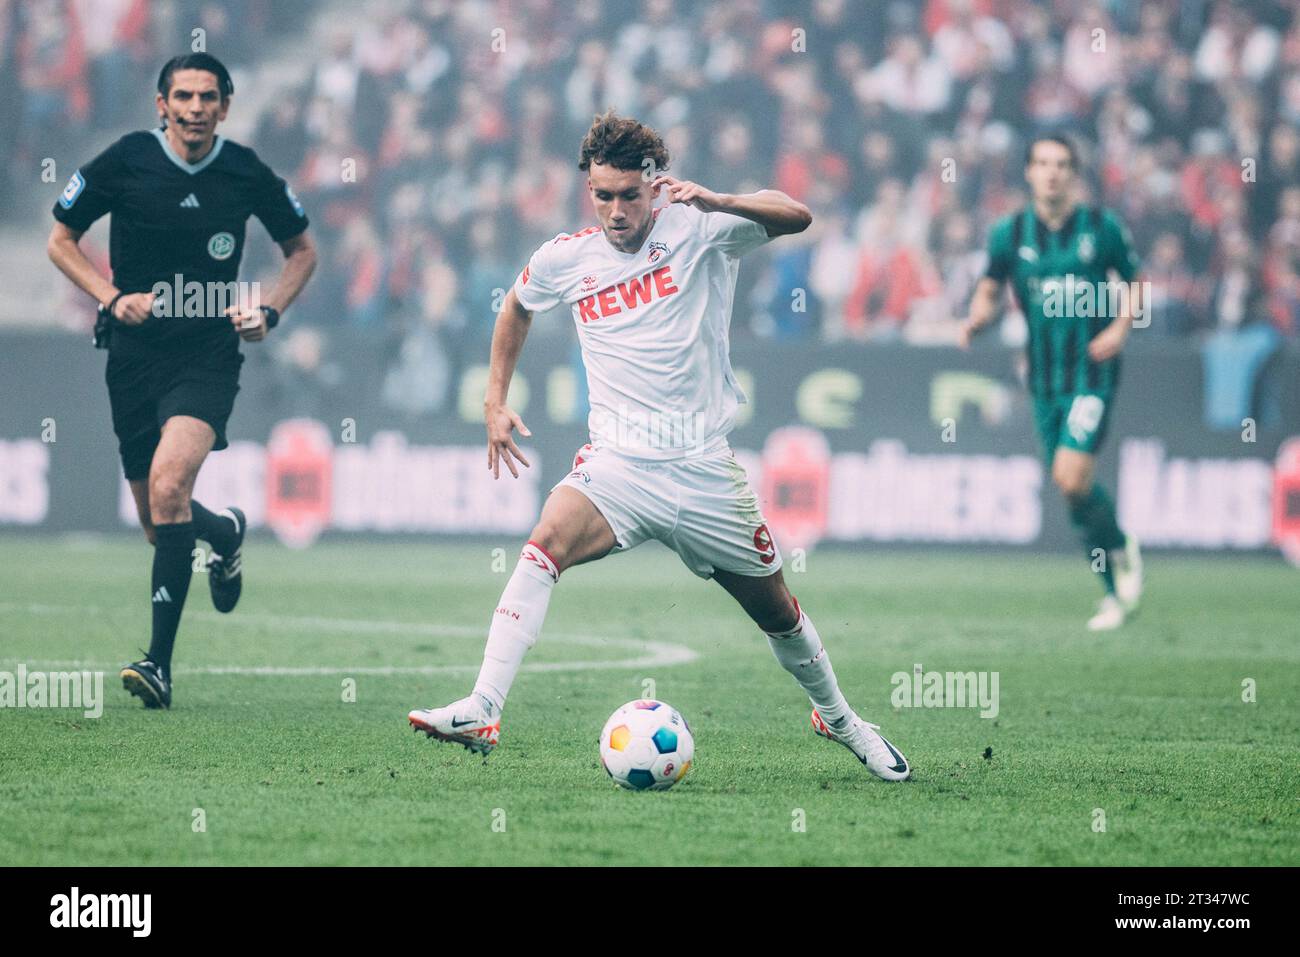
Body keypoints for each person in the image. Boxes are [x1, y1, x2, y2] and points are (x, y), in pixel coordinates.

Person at [408, 110, 910, 782]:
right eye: (602, 195)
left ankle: (842, 718)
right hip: (617, 465)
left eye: (628, 195)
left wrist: (722, 198)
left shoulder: (703, 227)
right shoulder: (569, 257)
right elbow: (517, 306)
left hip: (702, 468)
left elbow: (798, 215)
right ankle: (484, 706)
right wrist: (495, 400)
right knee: (544, 543)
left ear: (656, 185)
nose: (616, 210)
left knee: (779, 611)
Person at [47, 53, 317, 707]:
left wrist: (270, 311)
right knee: (154, 520)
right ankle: (222, 533)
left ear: (225, 107)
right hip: (132, 357)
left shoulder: (245, 172)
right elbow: (60, 239)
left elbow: (302, 250)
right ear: (161, 105)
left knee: (171, 483)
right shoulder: (124, 160)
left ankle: (158, 667)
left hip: (207, 357)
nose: (195, 108)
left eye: (207, 98)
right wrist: (111, 298)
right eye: (183, 97)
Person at [959, 134, 1144, 630]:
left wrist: (1121, 327)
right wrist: (977, 318)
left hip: (1092, 373)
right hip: (1042, 380)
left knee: (1068, 475)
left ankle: (1113, 583)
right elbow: (990, 285)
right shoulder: (1009, 232)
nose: (1052, 172)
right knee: (1070, 488)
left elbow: (1136, 281)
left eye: (1061, 164)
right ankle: (1117, 555)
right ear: (1028, 172)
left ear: (1074, 173)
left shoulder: (1101, 228)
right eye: (1042, 163)